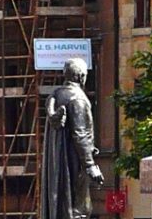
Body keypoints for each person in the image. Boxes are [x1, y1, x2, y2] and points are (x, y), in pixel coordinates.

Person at [40, 59, 103, 219]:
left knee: (63, 205)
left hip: (58, 164)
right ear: (81, 76)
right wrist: (90, 165)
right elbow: (81, 134)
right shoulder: (77, 99)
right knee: (80, 208)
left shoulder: (56, 95)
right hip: (73, 164)